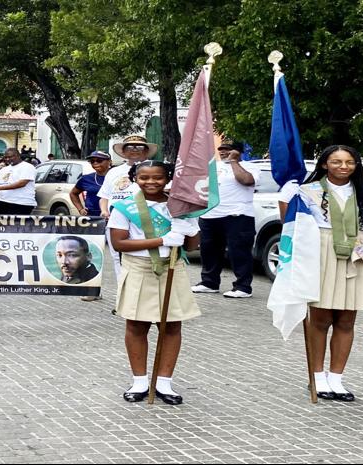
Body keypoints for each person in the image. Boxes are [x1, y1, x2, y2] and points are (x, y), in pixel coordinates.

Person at [278, 146, 363, 401]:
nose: (343, 166)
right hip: (321, 254)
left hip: (358, 254)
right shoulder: (307, 191)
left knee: (346, 320)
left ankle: (336, 378)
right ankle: (317, 376)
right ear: (324, 164)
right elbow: (292, 227)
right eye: (336, 161)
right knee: (320, 319)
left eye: (350, 162)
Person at [108, 160, 200, 404]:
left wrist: (189, 228)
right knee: (137, 325)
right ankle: (139, 382)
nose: (151, 182)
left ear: (168, 178)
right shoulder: (124, 207)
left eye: (158, 177)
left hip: (172, 268)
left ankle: (164, 383)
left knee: (171, 326)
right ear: (135, 179)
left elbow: (192, 246)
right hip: (139, 267)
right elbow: (119, 243)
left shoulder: (180, 207)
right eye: (144, 177)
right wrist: (162, 240)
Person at [190, 140, 258, 298]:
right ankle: (209, 283)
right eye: (221, 149)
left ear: (238, 151)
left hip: (237, 215)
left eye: (228, 149)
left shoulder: (250, 167)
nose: (223, 152)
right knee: (209, 250)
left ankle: (243, 287)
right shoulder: (213, 166)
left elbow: (246, 180)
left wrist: (233, 161)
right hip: (210, 214)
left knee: (238, 252)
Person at [98, 134, 157, 217]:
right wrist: (104, 211)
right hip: (115, 218)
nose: (134, 149)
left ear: (147, 151)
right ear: (123, 151)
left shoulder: (156, 169)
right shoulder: (113, 171)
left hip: (146, 219)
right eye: (129, 147)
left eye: (140, 147)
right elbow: (105, 197)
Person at [0, 147, 37, 215]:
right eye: (6, 157)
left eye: (10, 157)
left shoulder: (28, 167)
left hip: (22, 203)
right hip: (3, 201)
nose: (7, 159)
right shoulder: (4, 169)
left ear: (18, 155)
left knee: (17, 222)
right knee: (3, 222)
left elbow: (22, 183)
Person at [70, 150, 110, 218]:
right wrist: (81, 209)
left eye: (99, 160)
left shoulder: (117, 177)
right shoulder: (86, 178)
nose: (95, 163)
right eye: (92, 161)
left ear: (109, 161)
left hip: (113, 215)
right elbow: (73, 193)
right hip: (93, 217)